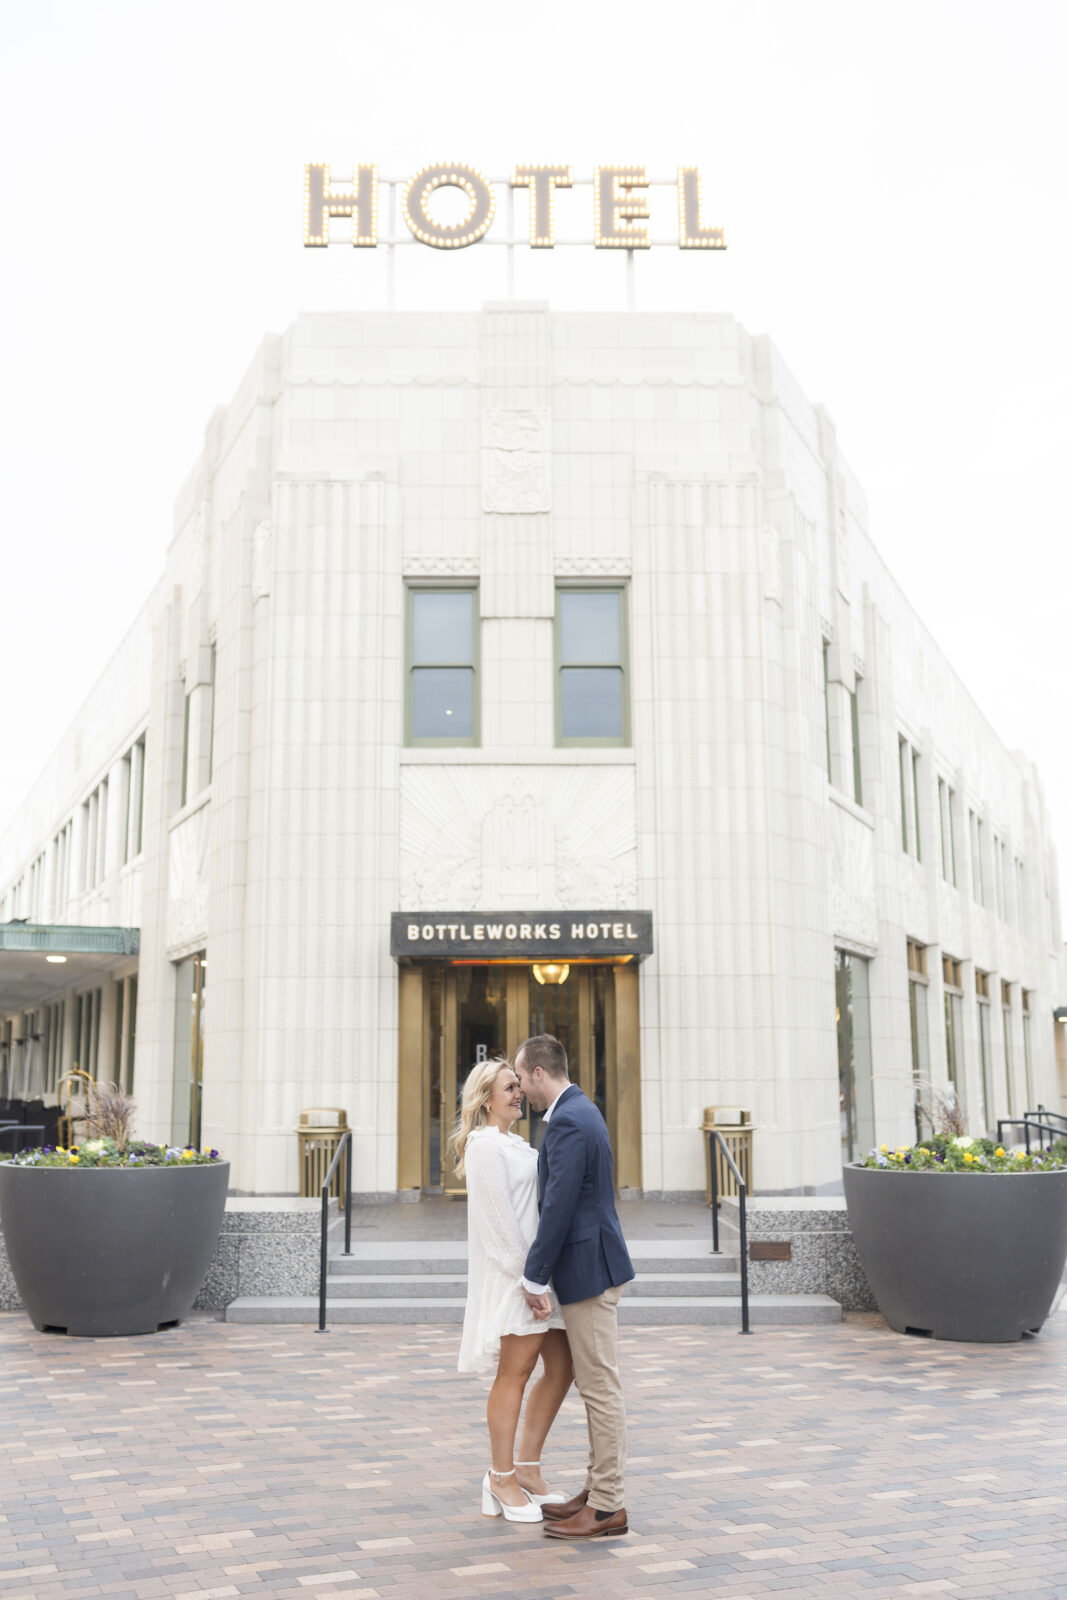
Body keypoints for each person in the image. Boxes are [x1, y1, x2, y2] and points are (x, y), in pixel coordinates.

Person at [514, 1033, 635, 1540]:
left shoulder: (567, 1120)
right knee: (596, 1386)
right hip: (594, 1264)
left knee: (600, 1389)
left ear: (539, 1072)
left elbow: (559, 1205)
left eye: (521, 1078)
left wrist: (533, 1274)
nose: (521, 1089)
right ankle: (596, 1489)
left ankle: (607, 1506)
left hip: (587, 1271)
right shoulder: (584, 1109)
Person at [450, 1055, 575, 1524]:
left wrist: (543, 1276)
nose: (518, 1092)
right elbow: (497, 1223)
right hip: (517, 1278)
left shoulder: (515, 1143)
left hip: (540, 1275)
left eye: (518, 1086)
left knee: (563, 1369)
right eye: (509, 1088)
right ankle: (500, 1477)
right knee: (514, 1374)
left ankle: (526, 1468)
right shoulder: (484, 1146)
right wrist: (529, 1280)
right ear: (485, 1101)